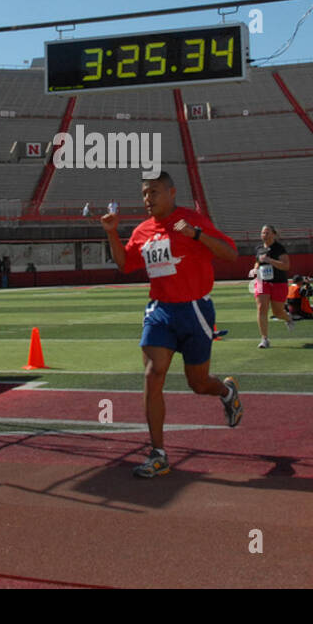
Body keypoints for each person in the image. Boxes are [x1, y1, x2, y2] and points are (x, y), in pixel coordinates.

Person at [101, 170, 242, 479]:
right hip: (160, 311)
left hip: (195, 310)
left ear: (171, 193)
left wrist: (195, 235)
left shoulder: (192, 220)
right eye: (144, 194)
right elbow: (125, 265)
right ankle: (158, 453)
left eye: (153, 193)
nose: (147, 199)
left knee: (198, 383)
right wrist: (113, 233)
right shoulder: (142, 231)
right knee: (153, 375)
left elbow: (231, 254)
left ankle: (226, 391)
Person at [252, 224, 294, 347]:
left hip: (278, 282)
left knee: (278, 312)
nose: (264, 235)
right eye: (263, 233)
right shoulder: (259, 249)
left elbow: (286, 266)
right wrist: (255, 270)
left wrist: (270, 260)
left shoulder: (279, 248)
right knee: (261, 307)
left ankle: (288, 319)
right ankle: (264, 339)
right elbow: (257, 263)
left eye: (267, 232)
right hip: (262, 282)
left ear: (274, 235)